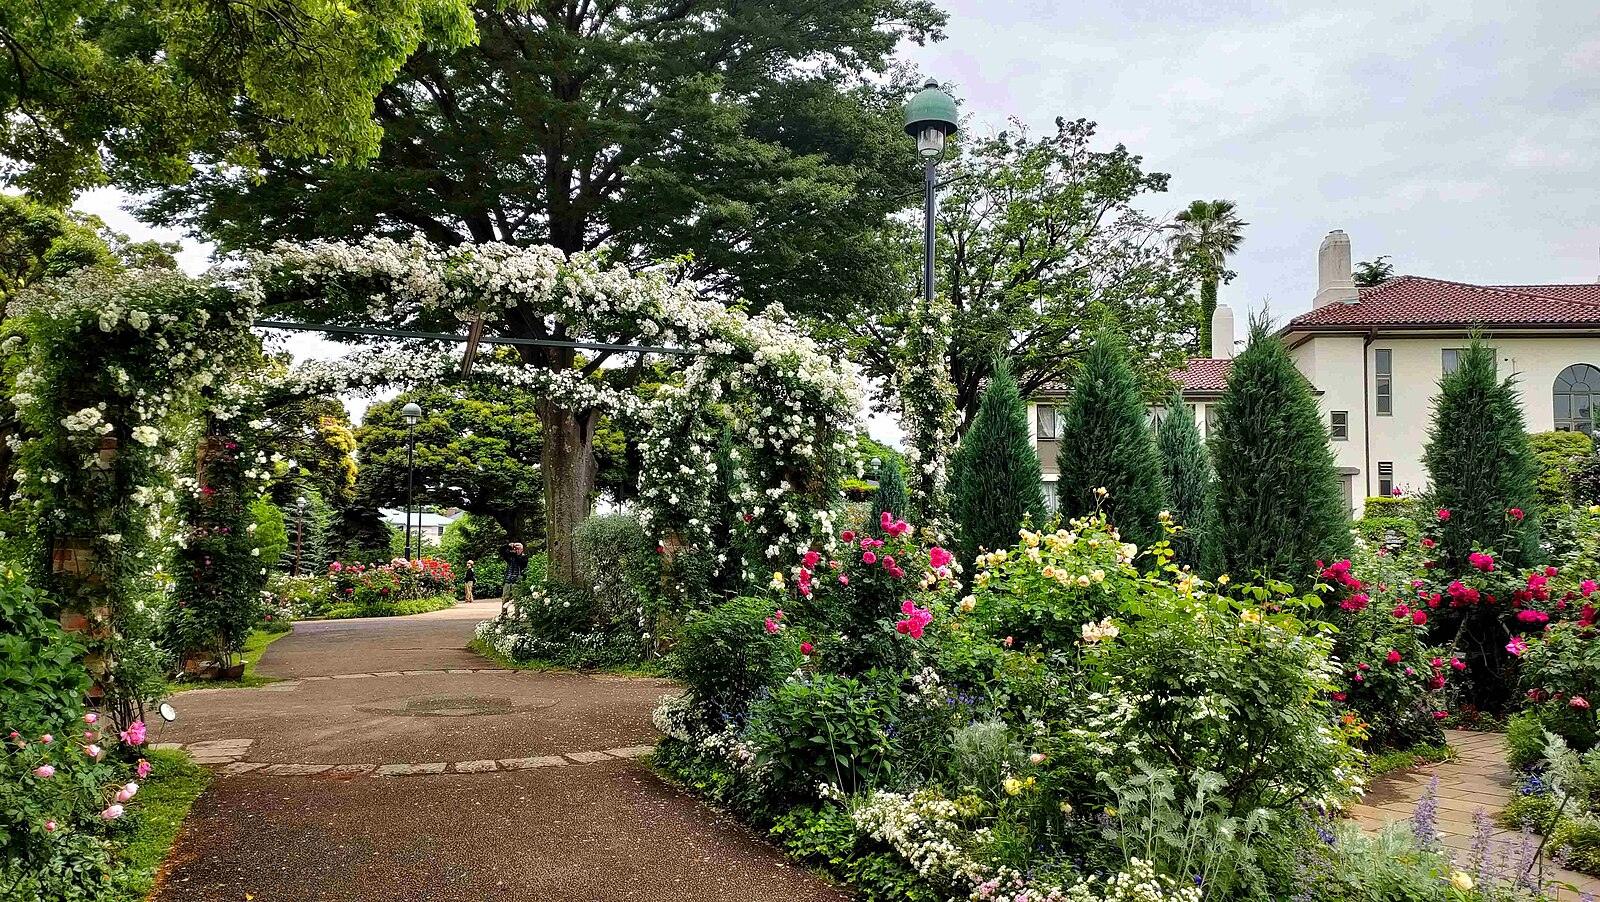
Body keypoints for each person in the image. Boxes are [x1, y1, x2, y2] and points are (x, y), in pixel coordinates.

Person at [500, 542, 528, 615]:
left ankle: (517, 616)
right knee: (505, 599)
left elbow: (521, 563)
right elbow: (501, 551)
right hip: (508, 581)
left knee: (517, 600)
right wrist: (508, 545)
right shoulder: (510, 557)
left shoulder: (524, 557)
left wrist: (518, 553)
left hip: (517, 582)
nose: (516, 550)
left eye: (518, 548)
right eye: (515, 548)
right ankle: (503, 615)